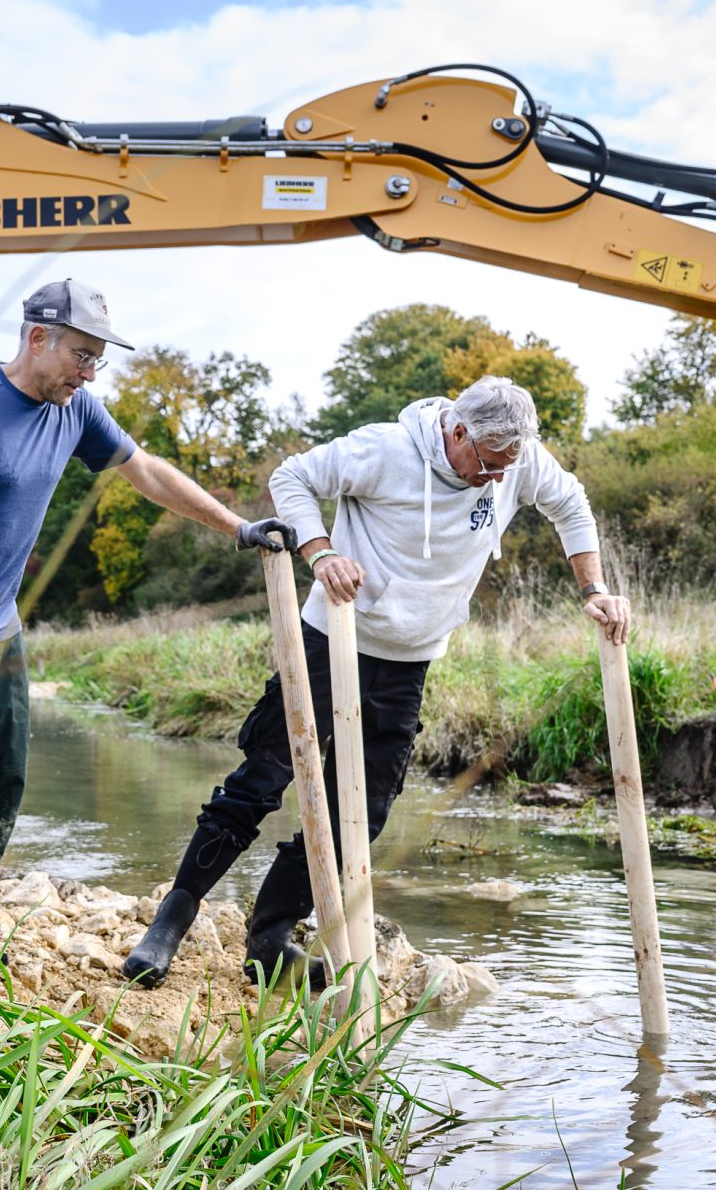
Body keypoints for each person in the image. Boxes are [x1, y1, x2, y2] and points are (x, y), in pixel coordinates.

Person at [122, 374, 633, 989]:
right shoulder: (385, 450)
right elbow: (292, 477)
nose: (496, 478)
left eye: (507, 468)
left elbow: (570, 504)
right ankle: (173, 918)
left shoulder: (514, 462)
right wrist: (322, 553)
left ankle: (272, 934)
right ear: (458, 430)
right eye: (488, 464)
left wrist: (594, 589)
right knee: (264, 778)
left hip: (410, 657)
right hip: (330, 638)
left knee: (363, 809)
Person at [0, 278, 291, 935]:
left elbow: (148, 472)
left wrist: (237, 527)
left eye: (96, 360)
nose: (88, 373)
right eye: (81, 356)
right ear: (37, 338)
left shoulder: (76, 411)